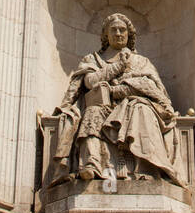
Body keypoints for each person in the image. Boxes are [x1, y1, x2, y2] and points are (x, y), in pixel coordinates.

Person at [51, 13, 185, 185]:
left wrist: (116, 90)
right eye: (113, 30)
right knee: (92, 111)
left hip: (134, 104)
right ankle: (91, 164)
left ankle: (147, 167)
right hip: (102, 104)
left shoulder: (140, 61)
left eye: (122, 30)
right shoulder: (92, 59)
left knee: (141, 109)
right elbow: (89, 82)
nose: (118, 33)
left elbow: (151, 87)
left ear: (129, 35)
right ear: (106, 35)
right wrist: (118, 66)